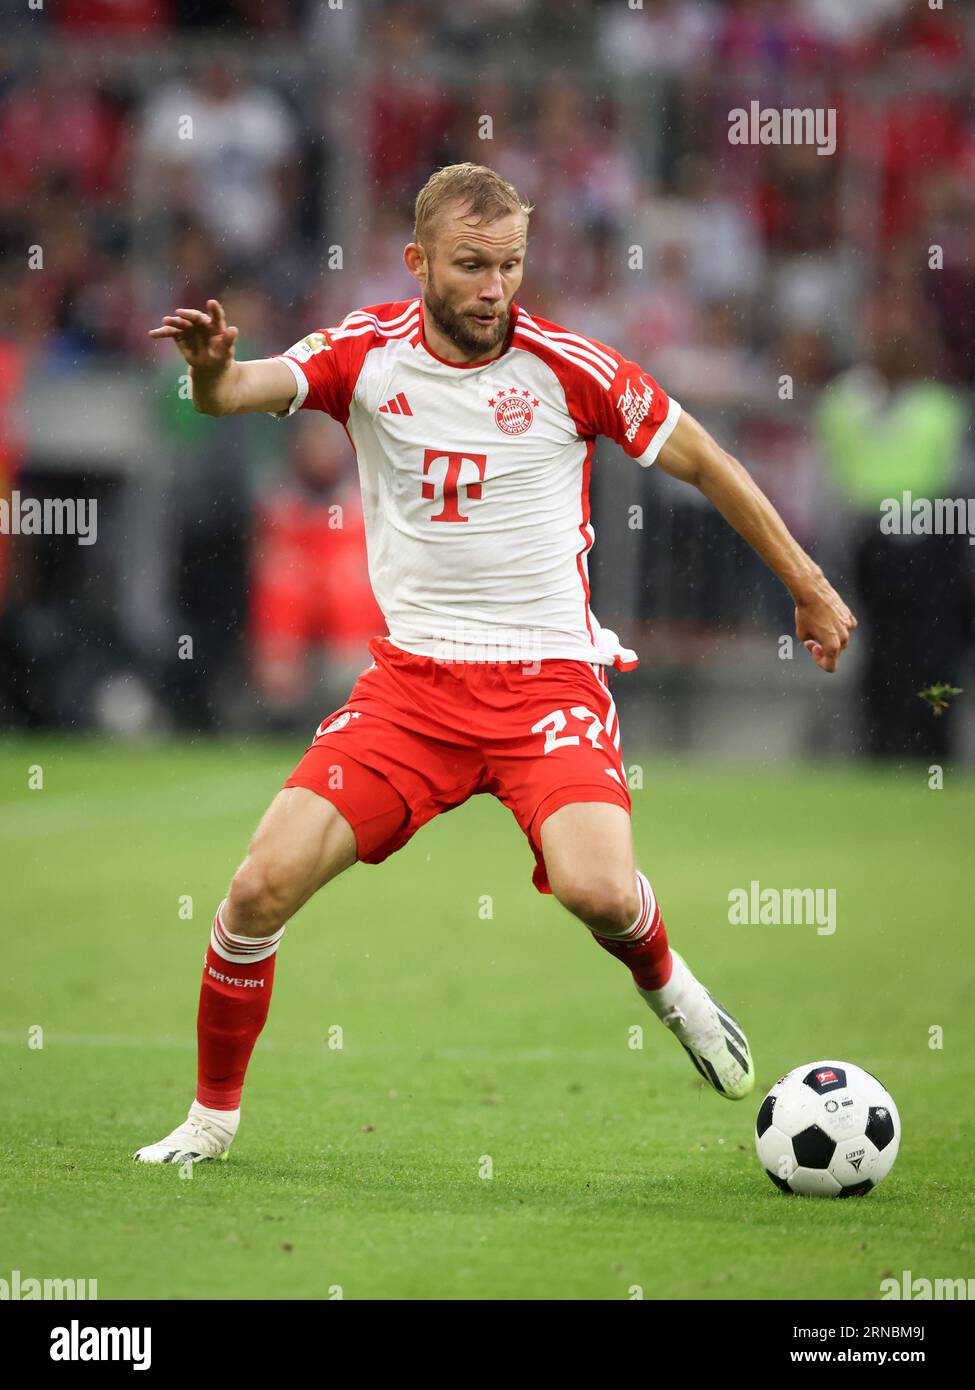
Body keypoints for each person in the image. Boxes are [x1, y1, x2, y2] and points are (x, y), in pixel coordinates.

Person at [136, 163, 856, 1164]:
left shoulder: (570, 368)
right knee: (256, 889)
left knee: (598, 890)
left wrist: (809, 585)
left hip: (546, 681)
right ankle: (211, 1120)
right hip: (412, 693)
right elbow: (233, 394)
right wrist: (211, 368)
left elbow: (708, 461)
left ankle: (671, 987)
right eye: (472, 265)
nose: (494, 287)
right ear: (418, 262)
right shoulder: (366, 353)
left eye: (510, 265)